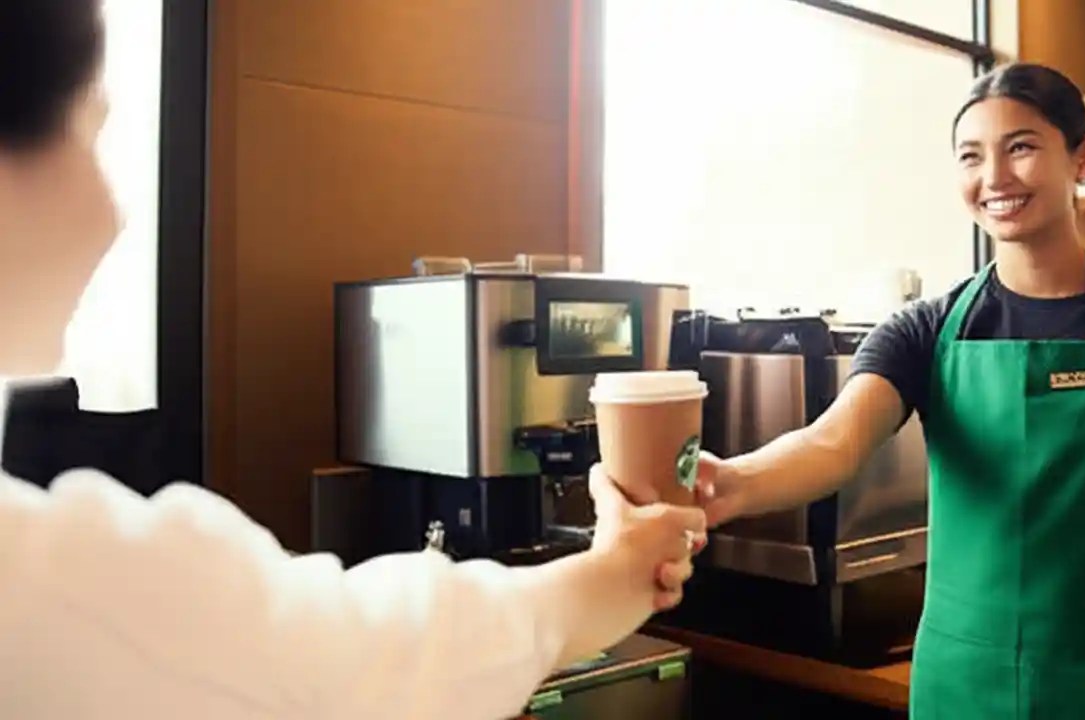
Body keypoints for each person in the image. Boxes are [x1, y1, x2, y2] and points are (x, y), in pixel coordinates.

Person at [0, 1, 705, 718]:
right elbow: (357, 662)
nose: (116, 214)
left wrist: (608, 572)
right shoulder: (52, 586)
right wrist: (613, 572)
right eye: (89, 129)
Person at [627, 63, 1085, 719]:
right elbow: (833, 442)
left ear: (1083, 155)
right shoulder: (925, 329)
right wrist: (728, 484)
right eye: (970, 157)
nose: (995, 178)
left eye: (1022, 147)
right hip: (961, 689)